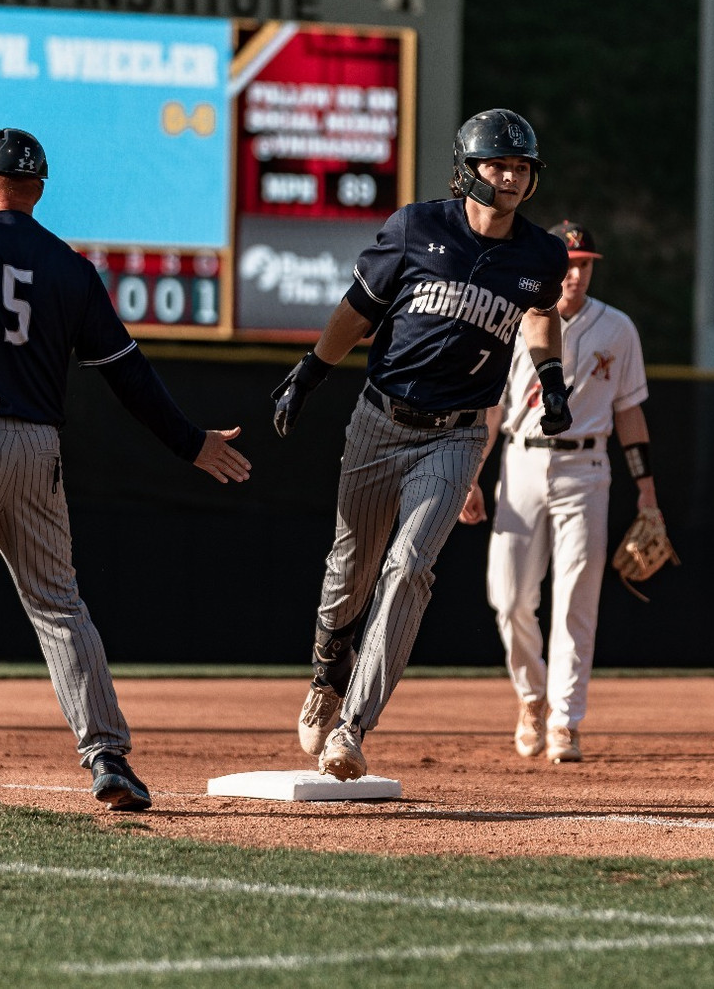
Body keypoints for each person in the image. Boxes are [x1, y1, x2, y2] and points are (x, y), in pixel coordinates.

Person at [0, 127, 251, 808]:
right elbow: (129, 373)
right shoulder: (69, 266)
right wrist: (189, 441)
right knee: (59, 605)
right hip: (38, 445)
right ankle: (110, 758)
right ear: (36, 191)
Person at [271, 108, 572, 782]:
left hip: (458, 432)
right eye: (499, 164)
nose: (513, 176)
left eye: (522, 166)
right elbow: (359, 308)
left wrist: (551, 380)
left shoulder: (540, 253)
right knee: (350, 570)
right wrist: (312, 371)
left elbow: (541, 315)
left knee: (409, 568)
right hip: (380, 421)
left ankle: (352, 727)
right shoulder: (418, 226)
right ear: (467, 169)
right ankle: (326, 674)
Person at [459, 221, 653, 764]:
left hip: (588, 469)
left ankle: (565, 720)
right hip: (520, 462)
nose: (575, 273)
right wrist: (471, 474)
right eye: (567, 262)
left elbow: (630, 412)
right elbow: (492, 408)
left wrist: (648, 491)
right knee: (508, 597)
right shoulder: (518, 319)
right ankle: (531, 696)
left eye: (585, 263)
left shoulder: (617, 329)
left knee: (576, 602)